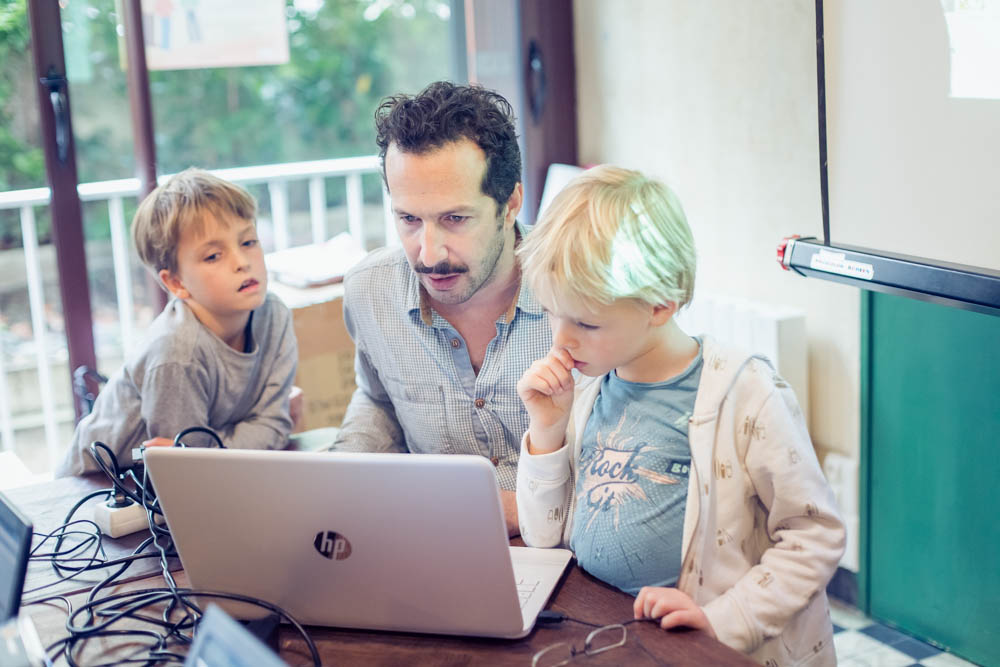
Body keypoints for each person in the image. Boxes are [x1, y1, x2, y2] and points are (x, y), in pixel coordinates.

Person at [515, 165, 845, 665]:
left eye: (585, 321)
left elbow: (814, 534)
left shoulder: (746, 394)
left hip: (706, 647)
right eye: (551, 312)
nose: (561, 338)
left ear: (661, 303)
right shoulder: (585, 388)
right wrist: (546, 431)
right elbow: (543, 537)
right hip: (607, 629)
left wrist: (722, 620)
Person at [332, 81, 551, 534]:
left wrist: (514, 511)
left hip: (568, 550)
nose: (429, 253)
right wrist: (339, 479)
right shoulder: (368, 291)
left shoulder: (581, 297)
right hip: (425, 542)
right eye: (409, 219)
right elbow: (378, 401)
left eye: (455, 219)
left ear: (510, 202)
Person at [57, 168, 299, 476]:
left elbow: (273, 427)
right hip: (96, 484)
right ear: (175, 283)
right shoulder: (177, 352)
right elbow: (189, 470)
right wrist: (242, 440)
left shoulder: (275, 315)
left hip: (170, 481)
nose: (241, 261)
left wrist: (211, 451)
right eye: (213, 256)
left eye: (249, 241)